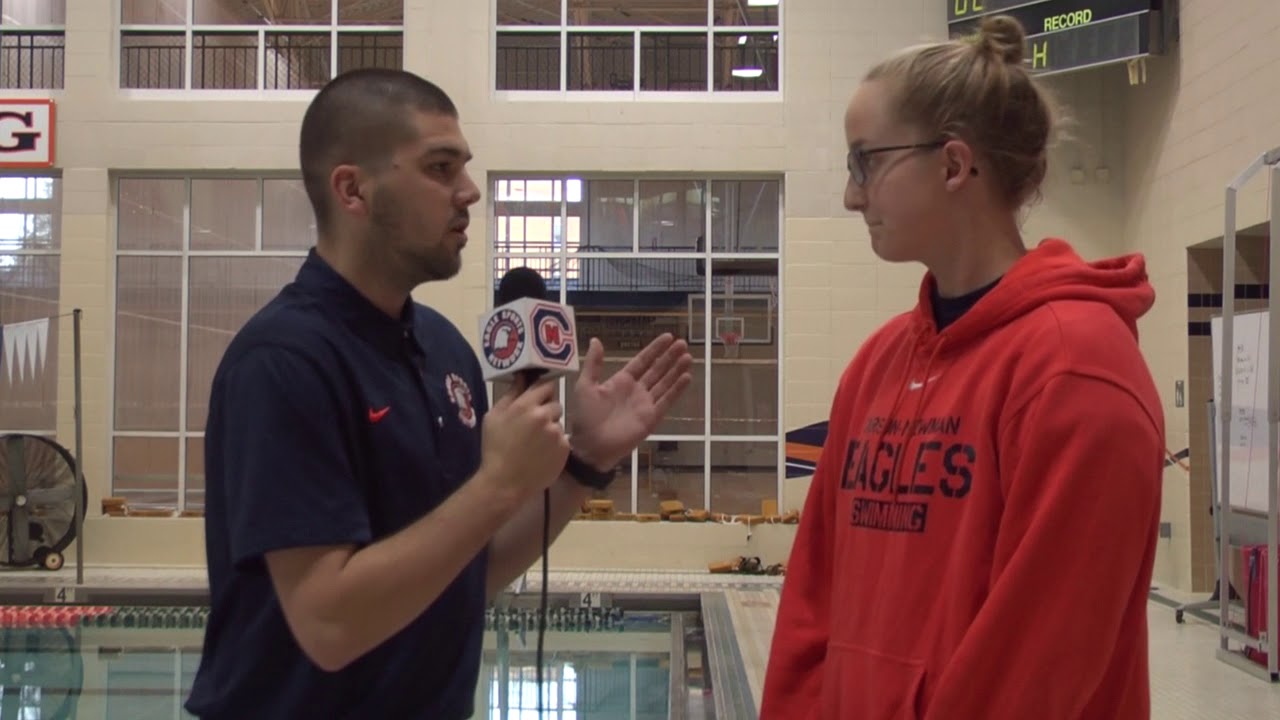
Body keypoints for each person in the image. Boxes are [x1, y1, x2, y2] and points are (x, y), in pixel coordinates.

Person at [184, 68, 693, 719]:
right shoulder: (285, 362)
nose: (469, 192)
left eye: (464, 167)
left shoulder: (444, 350)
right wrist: (497, 486)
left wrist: (581, 465)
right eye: (440, 168)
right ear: (353, 189)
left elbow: (464, 576)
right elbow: (328, 625)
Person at [761, 15, 1164, 720]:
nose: (854, 195)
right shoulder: (879, 362)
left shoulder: (1075, 369)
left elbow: (1036, 668)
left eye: (865, 162)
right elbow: (813, 602)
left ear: (953, 165)